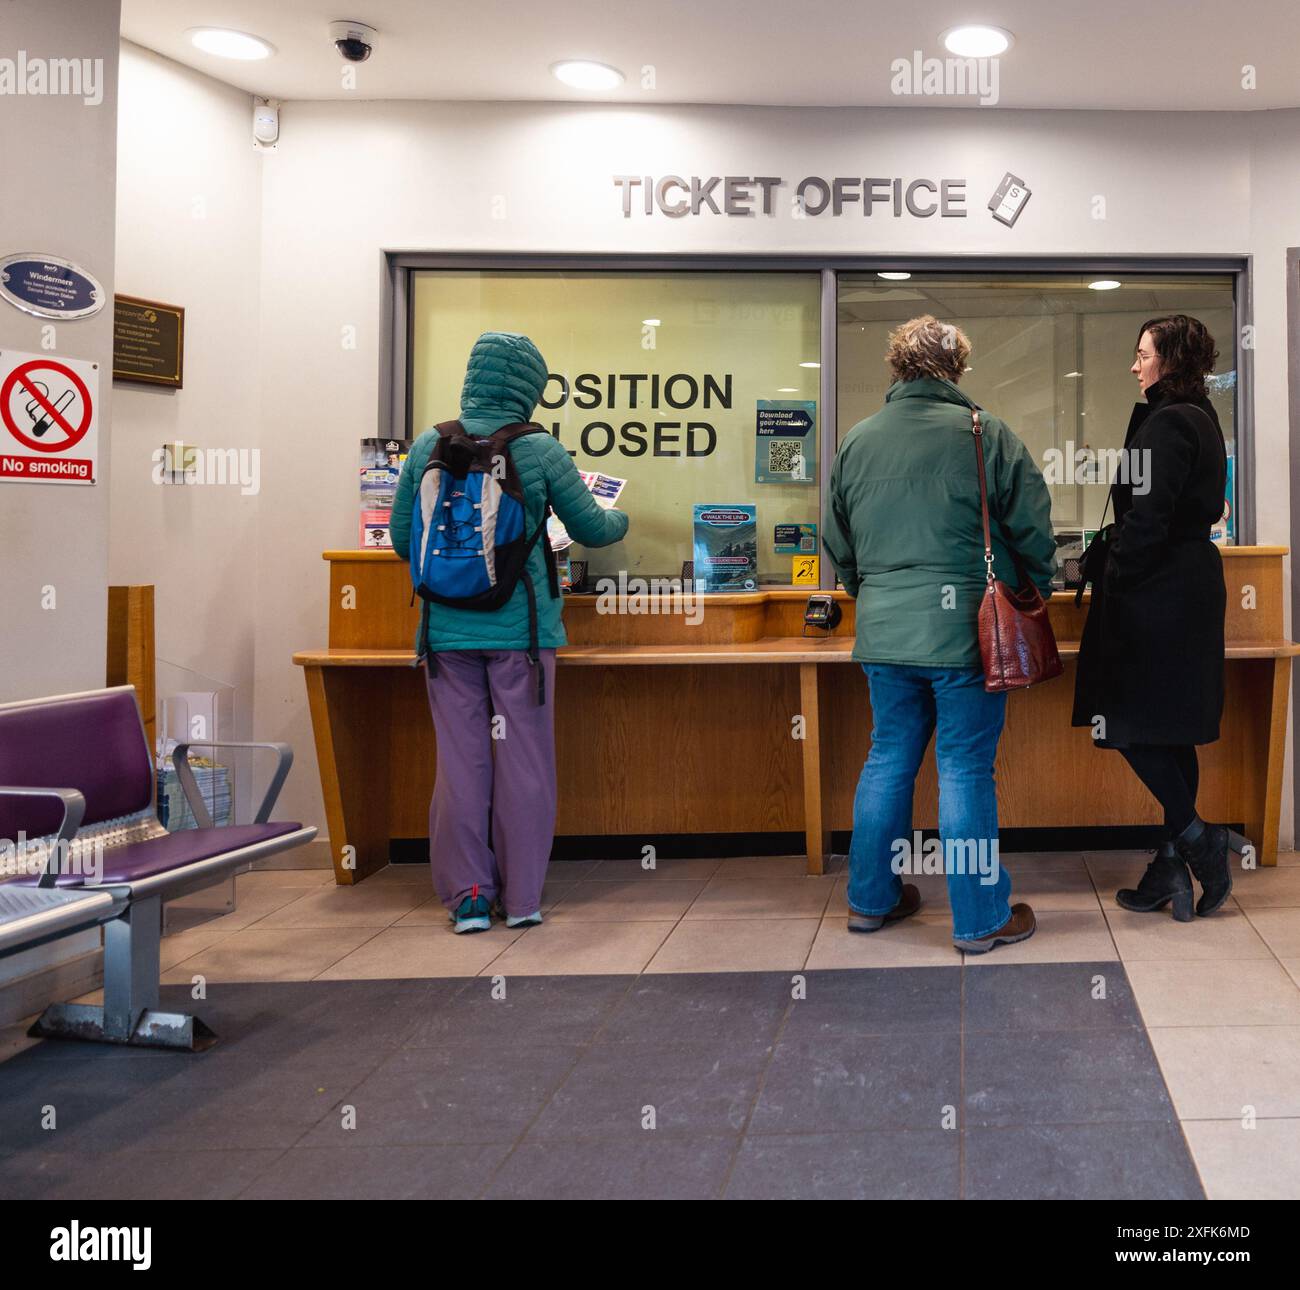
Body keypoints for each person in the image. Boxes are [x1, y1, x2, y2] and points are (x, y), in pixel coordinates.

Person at [824, 315, 1056, 954]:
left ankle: (871, 900)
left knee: (887, 757)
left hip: (884, 634)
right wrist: (1038, 585)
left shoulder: (857, 440)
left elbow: (838, 542)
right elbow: (1033, 528)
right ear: (956, 369)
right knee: (964, 768)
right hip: (967, 636)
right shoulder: (986, 433)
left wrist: (873, 597)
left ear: (897, 365)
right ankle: (980, 918)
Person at [389, 331, 628, 932]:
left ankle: (468, 898)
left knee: (461, 763)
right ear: (529, 388)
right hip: (523, 637)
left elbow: (399, 540)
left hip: (445, 636)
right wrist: (623, 513)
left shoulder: (428, 444)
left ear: (472, 375)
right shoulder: (539, 449)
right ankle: (521, 899)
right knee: (524, 761)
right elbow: (594, 529)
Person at [1072, 315, 1229, 920]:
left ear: (1169, 360)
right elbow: (1204, 507)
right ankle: (1171, 867)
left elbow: (1148, 518)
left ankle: (1197, 837)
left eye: (1143, 354)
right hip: (1188, 587)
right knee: (1170, 728)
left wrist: (1117, 576)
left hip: (1156, 591)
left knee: (1123, 721)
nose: (1135, 365)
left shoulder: (1167, 424)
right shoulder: (1200, 419)